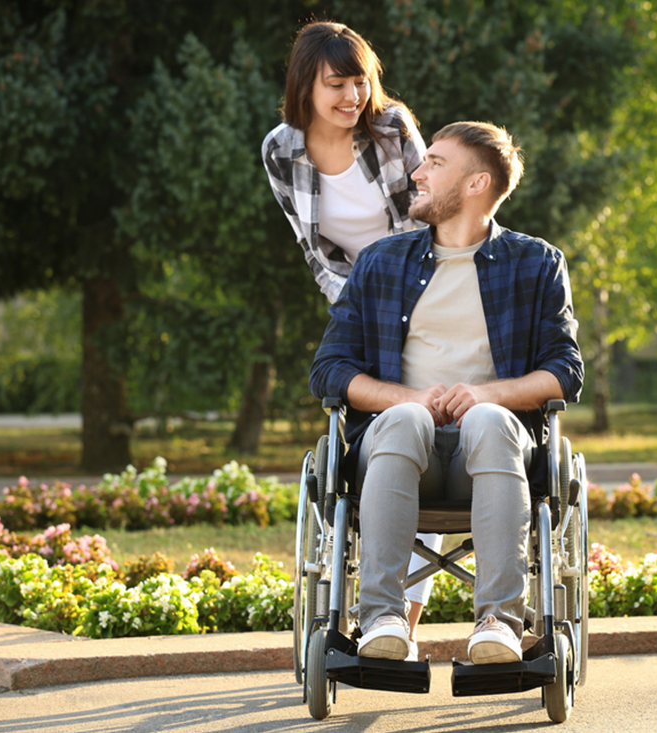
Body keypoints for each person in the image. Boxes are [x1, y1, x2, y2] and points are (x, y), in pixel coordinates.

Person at [308, 121, 583, 663]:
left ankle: (498, 625)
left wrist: (488, 395)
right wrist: (405, 399)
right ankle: (383, 618)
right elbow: (329, 369)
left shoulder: (536, 263)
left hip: (494, 452)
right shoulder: (382, 262)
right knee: (407, 420)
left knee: (488, 419)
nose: (417, 172)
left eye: (434, 163)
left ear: (477, 183)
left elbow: (565, 371)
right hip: (398, 451)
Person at [261, 20, 440, 654]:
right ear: (304, 86)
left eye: (359, 81)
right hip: (354, 299)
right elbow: (314, 248)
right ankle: (362, 595)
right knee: (367, 430)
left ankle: (402, 625)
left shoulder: (392, 129)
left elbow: (433, 213)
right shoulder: (280, 150)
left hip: (425, 285)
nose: (352, 96)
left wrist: (405, 298)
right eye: (336, 84)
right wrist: (358, 305)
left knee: (431, 437)